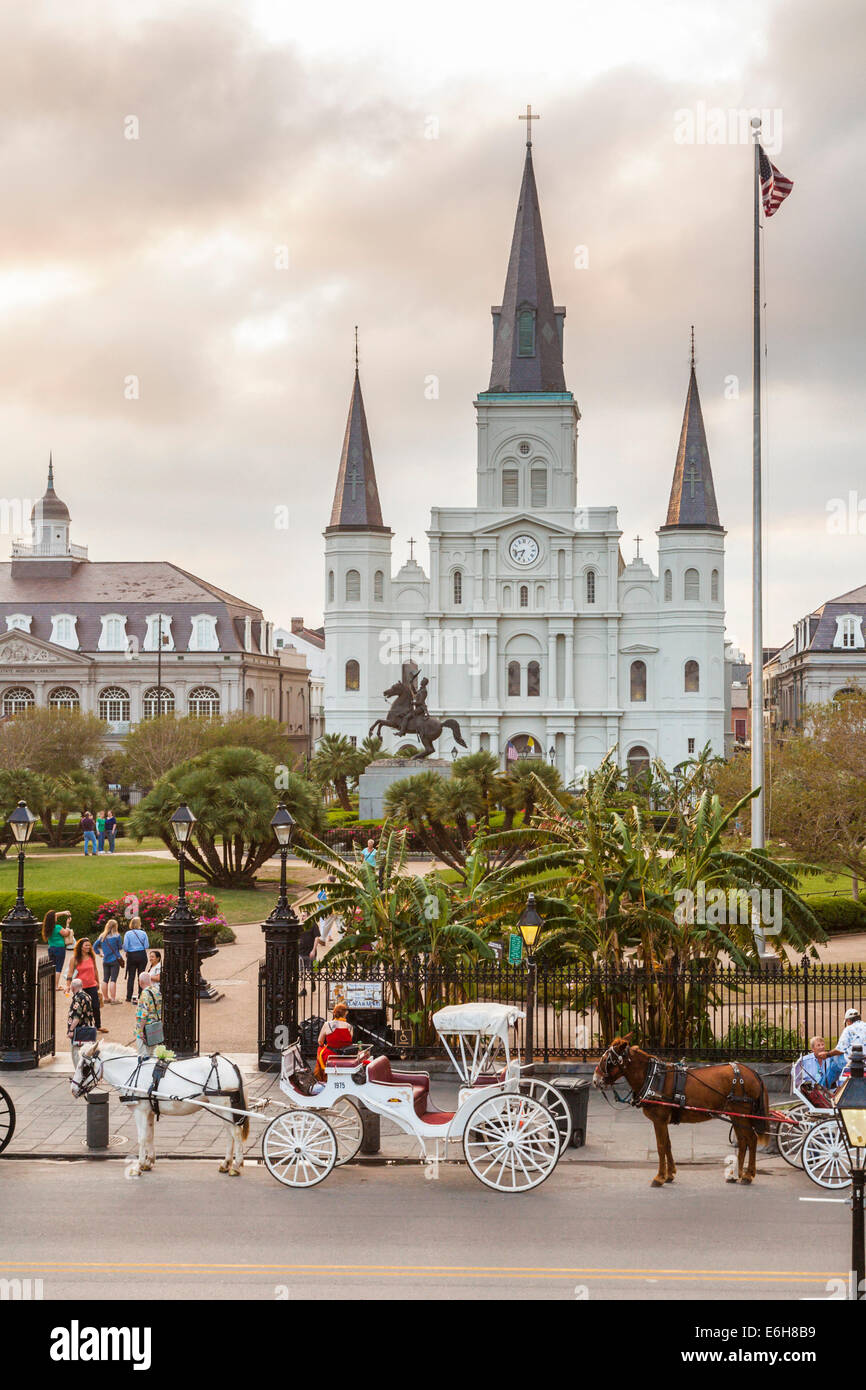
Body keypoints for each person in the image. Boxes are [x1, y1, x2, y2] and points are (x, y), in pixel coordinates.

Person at [71, 937, 107, 1032]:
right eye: (86, 945)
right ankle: (79, 1027)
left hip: (92, 985)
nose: (88, 947)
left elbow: (95, 969)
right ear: (81, 947)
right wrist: (68, 986)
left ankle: (98, 1026)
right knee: (80, 1008)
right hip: (80, 987)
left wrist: (97, 981)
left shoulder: (91, 957)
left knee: (95, 1006)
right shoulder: (75, 959)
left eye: (89, 945)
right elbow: (70, 973)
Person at [820, 1009, 866, 1080]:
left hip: (854, 1062)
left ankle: (822, 1086)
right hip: (863, 1060)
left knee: (834, 1060)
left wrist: (827, 1054)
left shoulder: (848, 1029)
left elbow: (840, 1050)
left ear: (848, 1021)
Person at [315, 1002, 354, 1081]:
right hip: (345, 1055)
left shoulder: (327, 1024)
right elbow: (348, 1042)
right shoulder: (349, 1026)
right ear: (345, 1014)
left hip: (330, 1055)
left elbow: (320, 1041)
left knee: (320, 1050)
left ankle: (321, 1078)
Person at [94, 918, 124, 1004]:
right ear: (115, 926)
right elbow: (120, 947)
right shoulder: (117, 936)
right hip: (115, 960)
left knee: (105, 979)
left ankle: (106, 998)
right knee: (113, 979)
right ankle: (113, 999)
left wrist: (99, 953)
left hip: (105, 960)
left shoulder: (102, 936)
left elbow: (95, 946)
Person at [42, 910, 73, 992]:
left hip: (51, 948)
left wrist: (63, 913)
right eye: (55, 916)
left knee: (52, 967)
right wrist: (68, 924)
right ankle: (55, 986)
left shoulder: (46, 927)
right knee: (58, 968)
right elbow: (66, 933)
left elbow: (51, 915)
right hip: (59, 949)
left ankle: (51, 985)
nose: (57, 917)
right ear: (53, 919)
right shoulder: (57, 927)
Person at [134, 972, 162, 1058]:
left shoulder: (144, 994)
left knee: (143, 1056)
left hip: (146, 1029)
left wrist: (140, 1031)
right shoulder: (156, 991)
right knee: (153, 1055)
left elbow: (144, 1014)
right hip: (155, 1028)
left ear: (140, 982)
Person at [122, 917, 149, 1002]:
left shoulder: (128, 933)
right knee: (141, 976)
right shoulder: (143, 933)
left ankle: (128, 996)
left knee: (131, 977)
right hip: (141, 954)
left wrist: (129, 949)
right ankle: (141, 995)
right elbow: (146, 946)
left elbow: (125, 947)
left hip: (132, 956)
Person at [66, 979, 96, 1054]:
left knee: (77, 1053)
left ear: (73, 988)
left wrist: (71, 1030)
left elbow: (77, 1017)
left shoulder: (78, 998)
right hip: (88, 1028)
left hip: (79, 1030)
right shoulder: (87, 996)